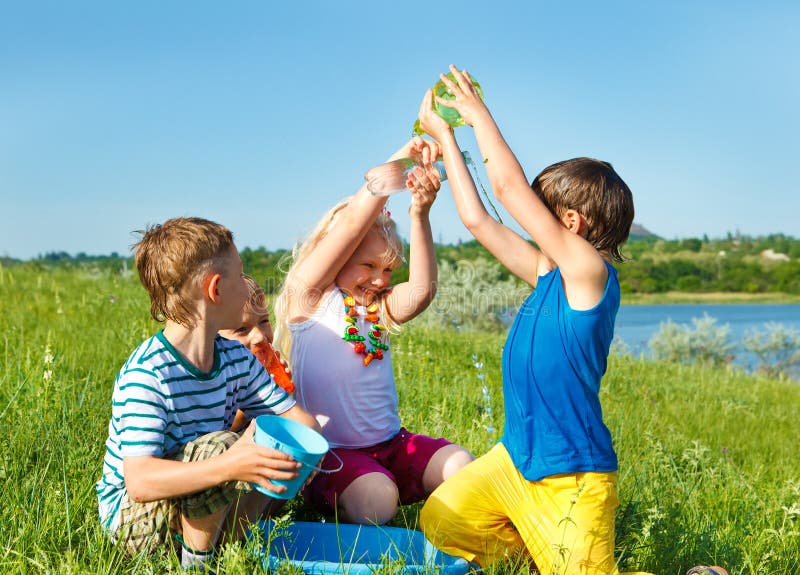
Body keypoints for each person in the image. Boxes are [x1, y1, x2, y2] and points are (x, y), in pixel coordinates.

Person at [415, 66, 650, 575]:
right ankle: (541, 556)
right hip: (515, 461)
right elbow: (479, 220)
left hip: (572, 474)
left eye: (542, 212)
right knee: (443, 522)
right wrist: (447, 137)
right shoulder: (549, 275)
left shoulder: (589, 273)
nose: (531, 219)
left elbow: (506, 188)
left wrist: (477, 113)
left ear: (570, 223)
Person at [95, 217, 319, 571]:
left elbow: (295, 419)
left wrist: (306, 444)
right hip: (135, 520)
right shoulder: (148, 374)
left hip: (197, 495)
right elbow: (139, 482)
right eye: (240, 275)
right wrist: (230, 463)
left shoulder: (235, 358)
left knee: (275, 453)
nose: (249, 289)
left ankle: (224, 541)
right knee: (223, 447)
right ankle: (199, 564)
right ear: (215, 289)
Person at [272, 137, 474, 525]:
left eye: (387, 270)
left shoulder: (375, 311)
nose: (380, 281)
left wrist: (420, 214)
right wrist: (404, 156)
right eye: (368, 265)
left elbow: (420, 291)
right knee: (379, 501)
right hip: (334, 455)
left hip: (393, 445)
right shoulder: (310, 300)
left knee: (461, 465)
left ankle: (404, 492)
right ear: (338, 255)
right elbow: (351, 225)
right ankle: (339, 495)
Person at [219, 274, 294, 433]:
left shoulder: (263, 364)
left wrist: (281, 392)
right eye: (241, 329)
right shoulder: (219, 375)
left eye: (264, 321)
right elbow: (216, 431)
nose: (260, 336)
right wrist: (254, 404)